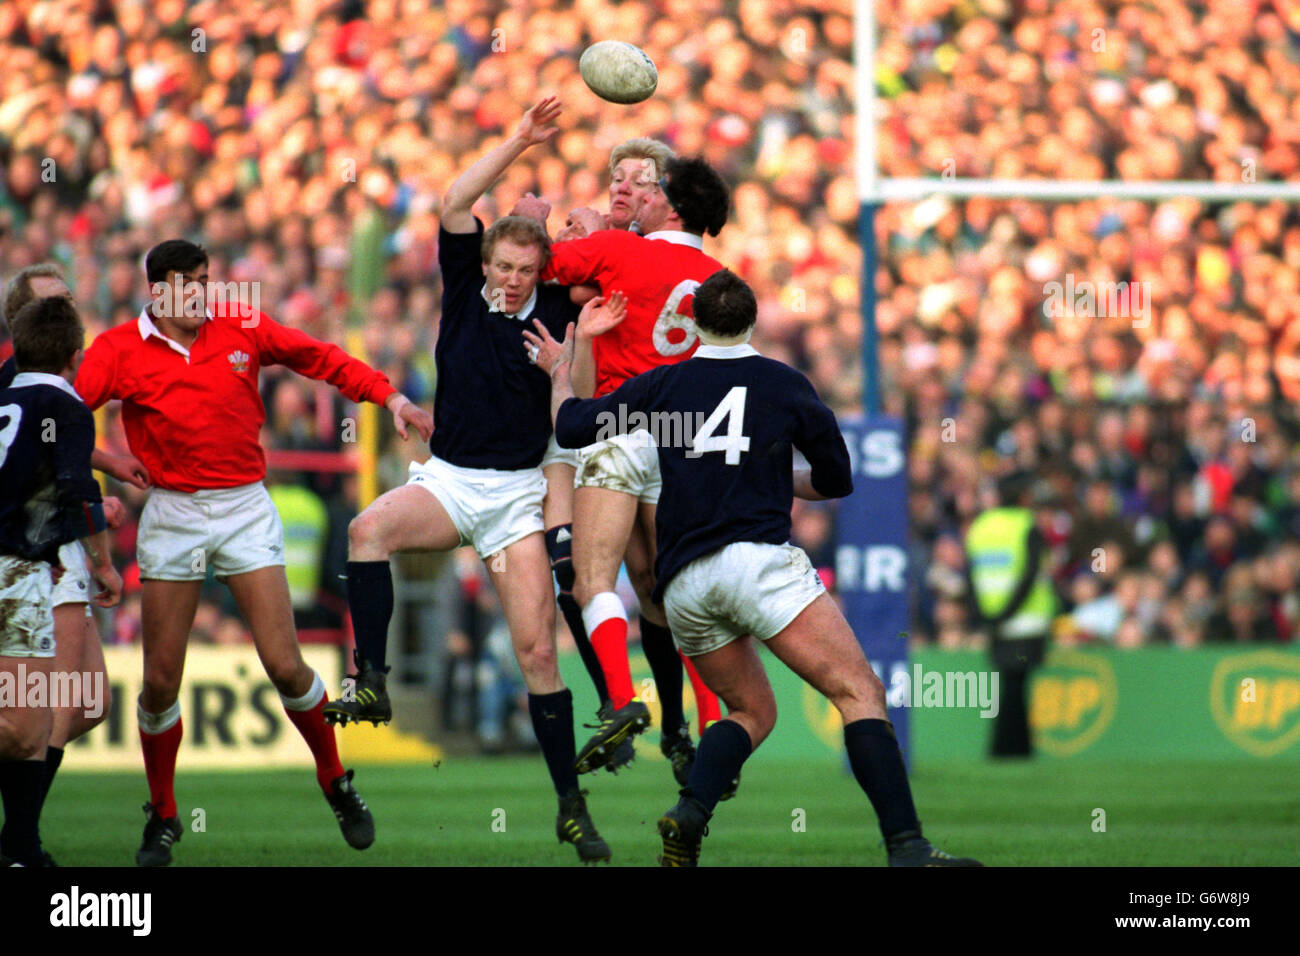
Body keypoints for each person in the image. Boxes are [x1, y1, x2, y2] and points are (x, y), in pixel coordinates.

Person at [546, 270, 981, 867]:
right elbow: (837, 479)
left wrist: (560, 373)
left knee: (752, 711)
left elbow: (572, 427)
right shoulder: (784, 384)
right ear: (753, 323)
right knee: (861, 692)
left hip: (684, 587)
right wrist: (779, 477)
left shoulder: (664, 384)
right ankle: (907, 847)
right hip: (757, 563)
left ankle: (690, 812)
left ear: (693, 323)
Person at [74, 239, 432, 865]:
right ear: (157, 292)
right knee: (159, 680)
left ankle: (336, 780)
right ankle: (162, 815)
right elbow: (66, 420)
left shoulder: (240, 325)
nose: (202, 294)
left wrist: (391, 398)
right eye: (189, 284)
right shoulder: (116, 350)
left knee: (286, 665)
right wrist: (109, 461)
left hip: (244, 506)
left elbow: (319, 358)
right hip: (174, 512)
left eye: (206, 280)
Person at [323, 97, 612, 864]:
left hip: (518, 494)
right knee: (367, 530)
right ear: (485, 264)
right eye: (505, 268)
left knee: (537, 655)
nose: (515, 281)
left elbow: (576, 403)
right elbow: (453, 201)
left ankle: (571, 809)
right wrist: (519, 138)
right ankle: (373, 678)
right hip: (452, 478)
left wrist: (565, 359)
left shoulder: (557, 305)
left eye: (527, 270)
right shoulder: (463, 286)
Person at [517, 137, 727, 781]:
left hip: (615, 424)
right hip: (682, 438)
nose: (642, 193)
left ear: (670, 209)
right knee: (669, 592)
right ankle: (714, 722)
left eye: (652, 188)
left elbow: (533, 263)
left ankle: (620, 700)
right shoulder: (720, 282)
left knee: (592, 580)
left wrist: (540, 220)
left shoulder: (619, 249)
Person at [0, 265, 139, 863]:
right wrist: (103, 556)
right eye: (52, 305)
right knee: (28, 722)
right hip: (28, 563)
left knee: (81, 704)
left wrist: (104, 467)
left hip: (33, 556)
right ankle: (22, 843)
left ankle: (20, 842)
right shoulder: (59, 397)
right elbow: (72, 486)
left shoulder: (13, 392)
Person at [965, 472, 1055, 758]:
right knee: (1016, 686)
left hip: (994, 621)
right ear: (1024, 498)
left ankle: (1009, 747)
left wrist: (985, 615)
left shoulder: (979, 527)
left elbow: (970, 575)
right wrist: (1008, 612)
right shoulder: (1028, 526)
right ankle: (1011, 749)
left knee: (1010, 685)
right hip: (1026, 621)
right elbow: (1030, 574)